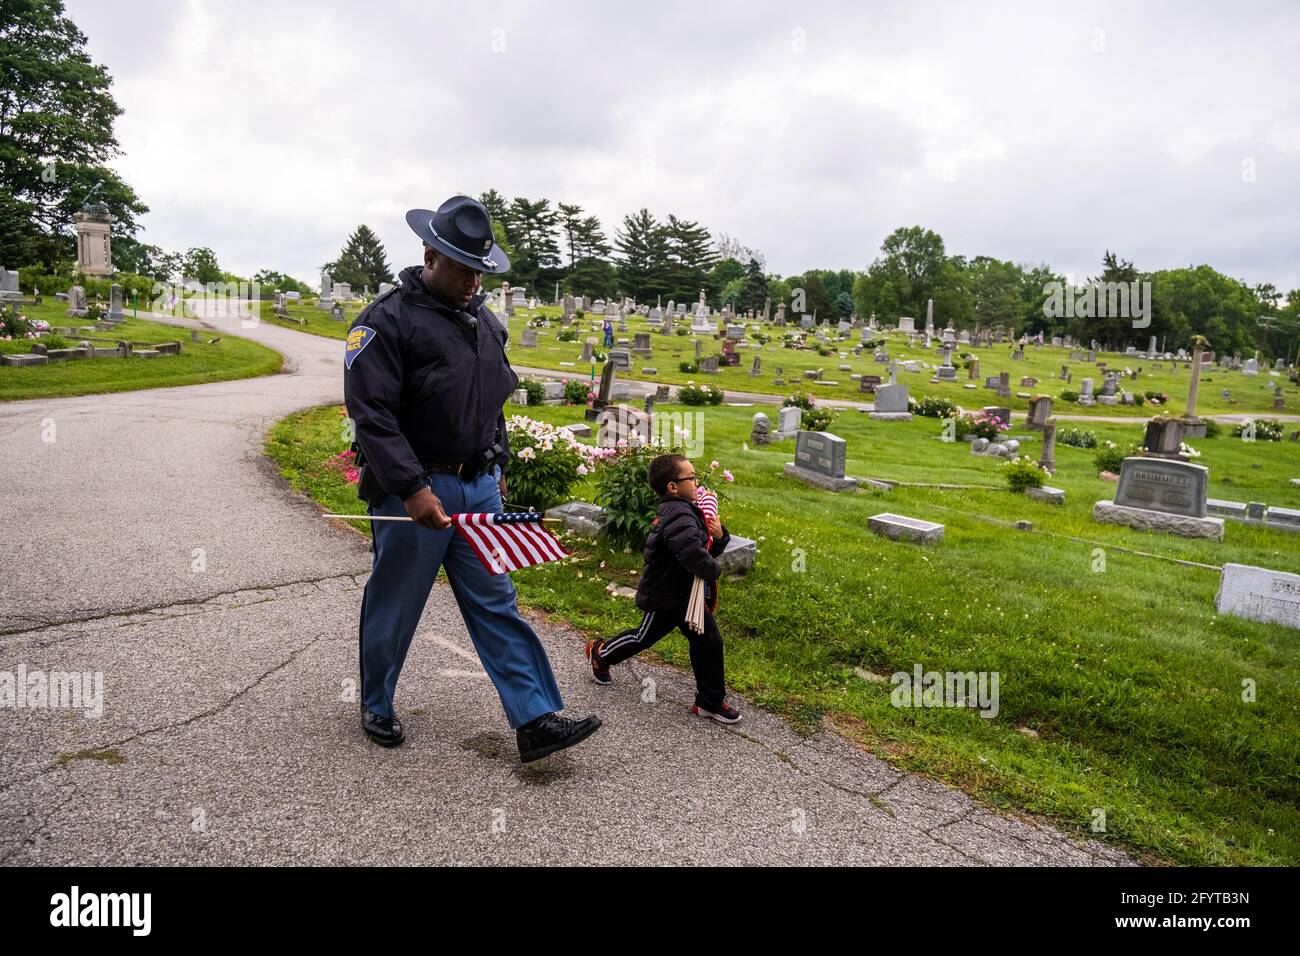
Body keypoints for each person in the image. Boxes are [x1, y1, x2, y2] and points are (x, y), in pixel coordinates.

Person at [343, 195, 601, 763]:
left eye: (480, 271)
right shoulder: (385, 322)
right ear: (429, 255)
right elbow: (372, 415)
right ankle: (376, 702)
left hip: (478, 486)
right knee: (397, 600)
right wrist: (412, 488)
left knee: (496, 601)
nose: (472, 282)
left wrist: (497, 463)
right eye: (461, 268)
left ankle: (535, 718)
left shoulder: (487, 323)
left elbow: (493, 403)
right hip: (413, 490)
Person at [583, 453, 740, 723]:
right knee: (642, 637)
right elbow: (692, 552)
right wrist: (715, 571)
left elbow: (703, 549)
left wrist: (720, 537)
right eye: (691, 477)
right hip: (666, 594)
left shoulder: (685, 510)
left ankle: (710, 702)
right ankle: (601, 652)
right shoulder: (677, 514)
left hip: (686, 595)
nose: (696, 482)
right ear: (672, 487)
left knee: (709, 643)